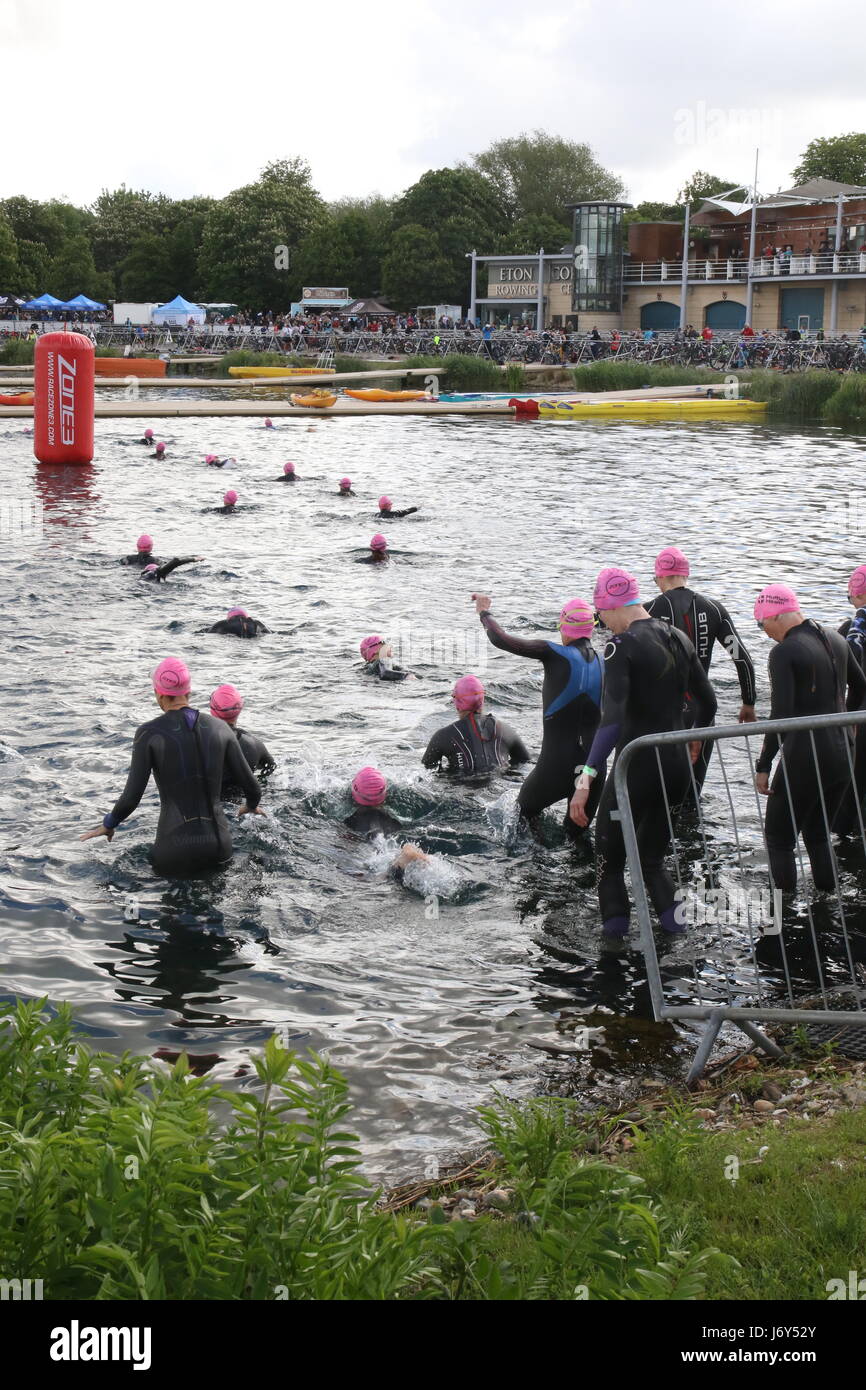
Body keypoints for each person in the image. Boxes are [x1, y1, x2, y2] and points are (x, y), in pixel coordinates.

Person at [570, 567, 717, 940]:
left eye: (601, 614)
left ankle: (613, 965)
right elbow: (709, 701)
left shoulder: (620, 646)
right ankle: (679, 945)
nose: (602, 623)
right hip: (676, 766)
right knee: (653, 861)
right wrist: (695, 736)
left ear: (612, 605)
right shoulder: (679, 637)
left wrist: (586, 778)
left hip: (636, 770)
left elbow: (613, 720)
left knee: (609, 864)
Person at [79, 657, 265, 876]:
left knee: (172, 908)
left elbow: (131, 798)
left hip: (174, 850)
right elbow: (253, 788)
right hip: (219, 845)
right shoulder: (221, 728)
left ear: (159, 693)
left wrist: (109, 824)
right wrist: (250, 805)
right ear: (189, 691)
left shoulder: (149, 734)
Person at [754, 583, 866, 890]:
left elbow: (782, 715)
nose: (764, 632)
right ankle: (828, 905)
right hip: (844, 753)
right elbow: (861, 685)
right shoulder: (835, 638)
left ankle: (784, 917)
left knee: (779, 839)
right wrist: (848, 721)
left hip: (806, 756)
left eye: (762, 624)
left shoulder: (784, 652)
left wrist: (764, 764)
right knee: (817, 835)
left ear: (776, 616)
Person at [473, 592, 603, 837]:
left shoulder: (552, 652)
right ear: (591, 628)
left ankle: (535, 868)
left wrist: (484, 612)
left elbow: (501, 639)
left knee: (522, 817)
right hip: (593, 770)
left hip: (554, 767)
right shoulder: (608, 661)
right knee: (578, 838)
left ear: (563, 627)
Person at [644, 545, 756, 790]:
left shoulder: (648, 610)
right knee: (692, 794)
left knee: (659, 796)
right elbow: (742, 659)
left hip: (666, 715)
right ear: (686, 574)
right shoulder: (714, 609)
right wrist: (749, 702)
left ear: (660, 576)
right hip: (703, 712)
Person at [422, 675, 530, 778]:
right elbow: (525, 762)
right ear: (482, 700)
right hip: (503, 789)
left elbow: (426, 772)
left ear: (457, 702)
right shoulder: (506, 731)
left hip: (463, 792)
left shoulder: (443, 736)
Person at [344, 766, 428, 873]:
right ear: (384, 794)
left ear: (354, 790)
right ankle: (403, 859)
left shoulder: (348, 823)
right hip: (390, 844)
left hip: (370, 855)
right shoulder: (395, 822)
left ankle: (397, 864)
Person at [209, 684, 275, 794]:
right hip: (241, 804)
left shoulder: (197, 741)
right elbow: (271, 767)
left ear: (212, 710)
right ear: (240, 709)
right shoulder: (256, 745)